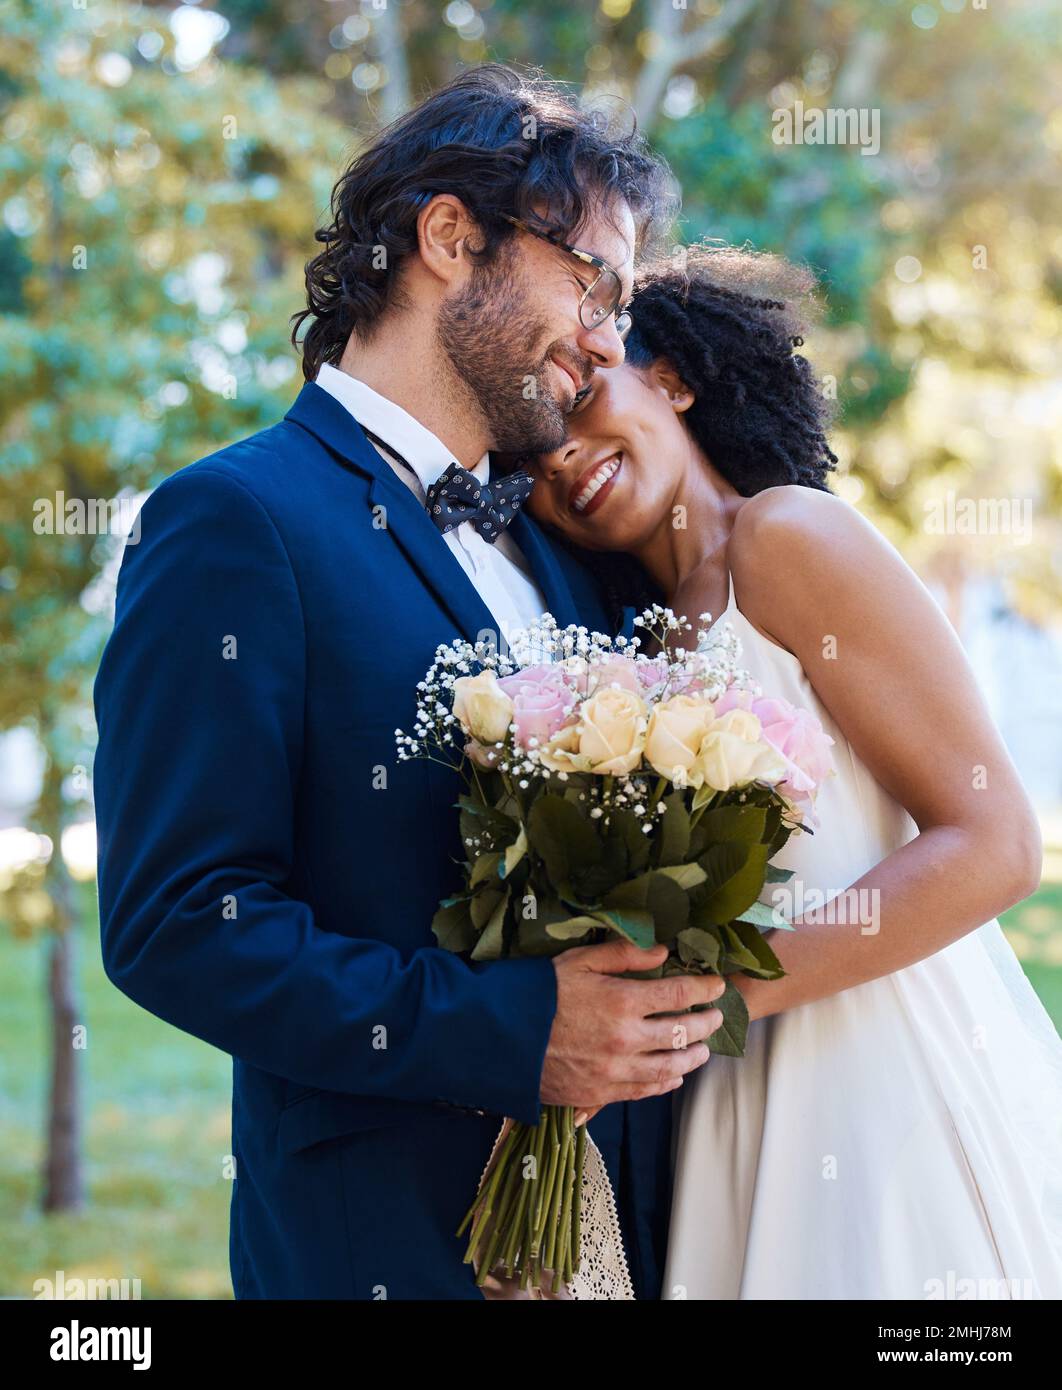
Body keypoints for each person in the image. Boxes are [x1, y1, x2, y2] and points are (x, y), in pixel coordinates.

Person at [92, 65, 727, 1301]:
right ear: (449, 236)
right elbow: (179, 920)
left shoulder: (566, 544)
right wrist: (511, 1031)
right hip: (384, 1246)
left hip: (639, 1235)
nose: (608, 339)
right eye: (593, 284)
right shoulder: (234, 520)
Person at [524, 243, 1062, 1298]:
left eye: (582, 399)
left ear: (670, 377)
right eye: (530, 460)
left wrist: (704, 999)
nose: (561, 460)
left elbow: (996, 844)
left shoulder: (786, 537)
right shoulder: (633, 650)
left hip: (877, 1070)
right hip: (731, 1099)